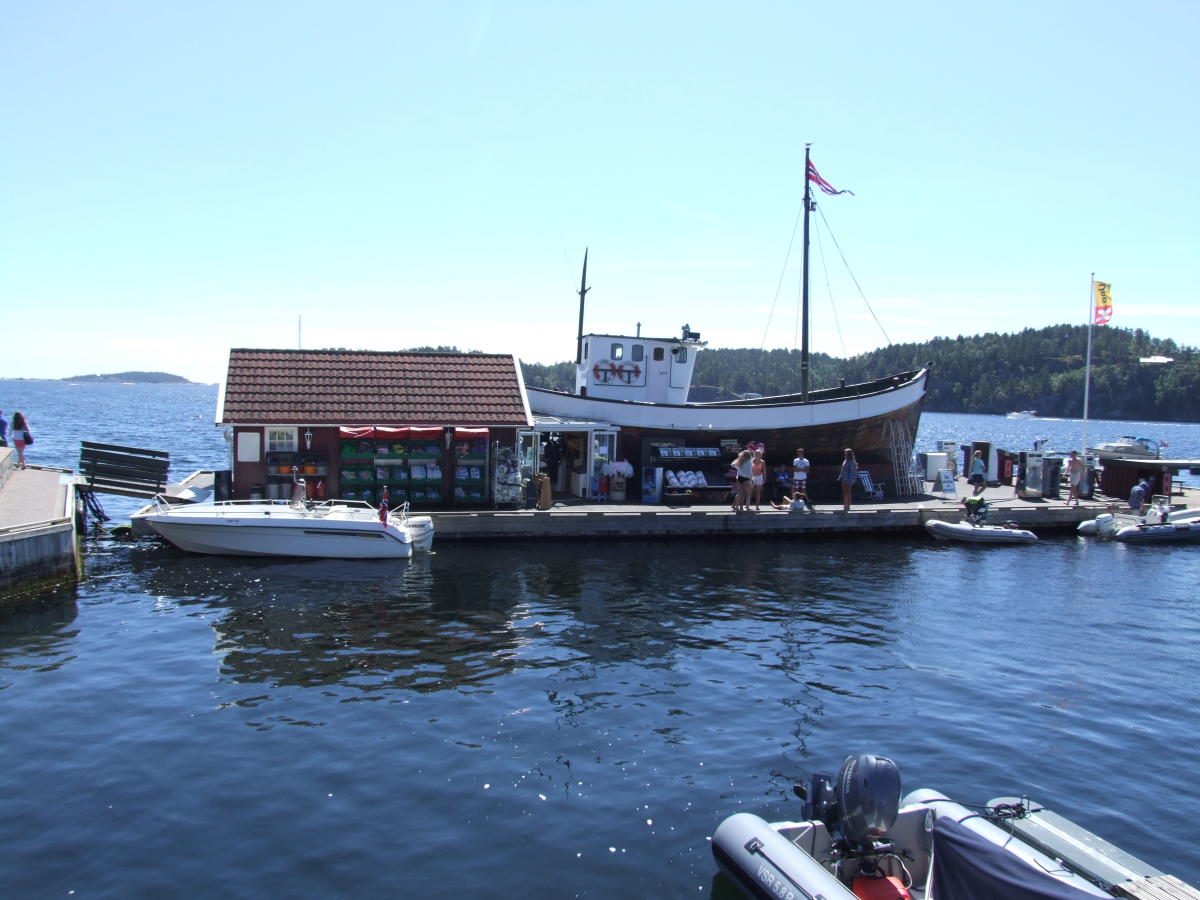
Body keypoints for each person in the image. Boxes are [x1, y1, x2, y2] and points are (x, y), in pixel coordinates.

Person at [838, 448, 858, 512]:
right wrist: (840, 477)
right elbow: (842, 470)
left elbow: (852, 472)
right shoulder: (845, 460)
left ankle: (848, 506)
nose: (844, 453)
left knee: (848, 492)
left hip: (848, 479)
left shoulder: (852, 461)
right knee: (844, 492)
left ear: (849, 453)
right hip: (844, 479)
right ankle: (845, 505)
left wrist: (850, 480)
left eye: (846, 452)